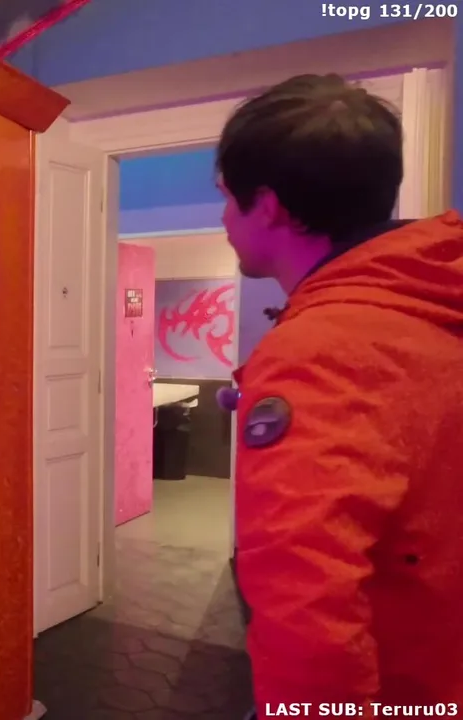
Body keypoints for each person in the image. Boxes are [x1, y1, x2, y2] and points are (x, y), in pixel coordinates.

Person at [217, 74, 463, 718]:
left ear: (267, 206)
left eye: (227, 199)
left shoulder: (319, 350)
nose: (224, 220)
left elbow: (308, 598)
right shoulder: (430, 300)